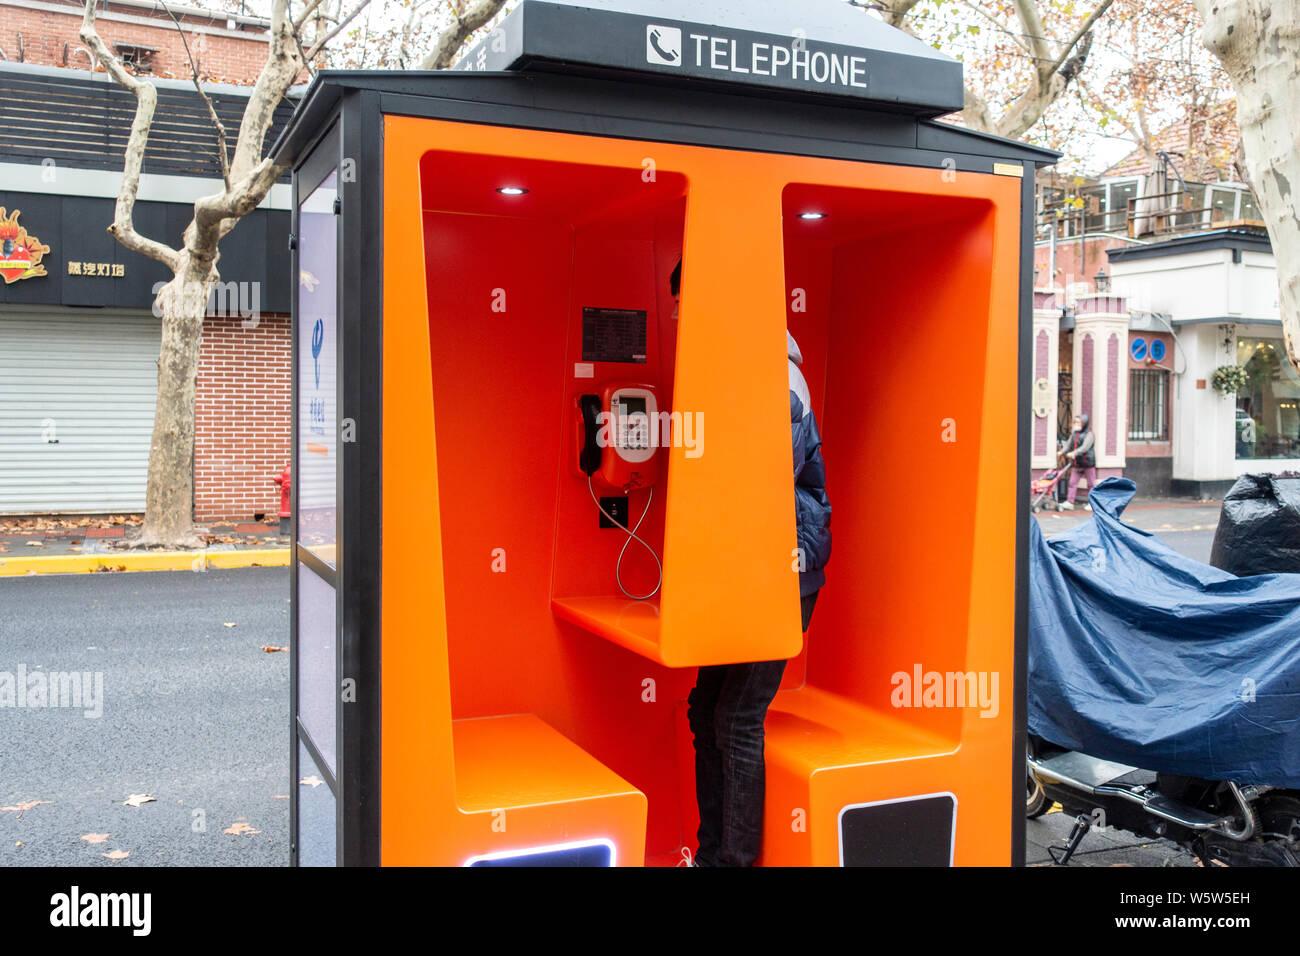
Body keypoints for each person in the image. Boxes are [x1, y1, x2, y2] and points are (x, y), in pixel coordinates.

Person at [681, 270, 832, 866]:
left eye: (683, 306)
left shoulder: (777, 380)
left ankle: (731, 860)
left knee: (737, 715)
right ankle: (713, 849)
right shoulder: (740, 374)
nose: (677, 318)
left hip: (782, 571)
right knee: (705, 708)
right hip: (747, 571)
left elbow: (760, 480)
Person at [1060, 413, 1096, 511]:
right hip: (1077, 463)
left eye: (1078, 422)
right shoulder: (1074, 434)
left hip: (1087, 462)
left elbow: (1085, 447)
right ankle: (1070, 502)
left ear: (1084, 423)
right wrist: (1061, 452)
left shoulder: (1089, 434)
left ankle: (1093, 504)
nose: (1076, 424)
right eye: (1075, 422)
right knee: (1072, 482)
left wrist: (1074, 453)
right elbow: (1068, 445)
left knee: (1091, 484)